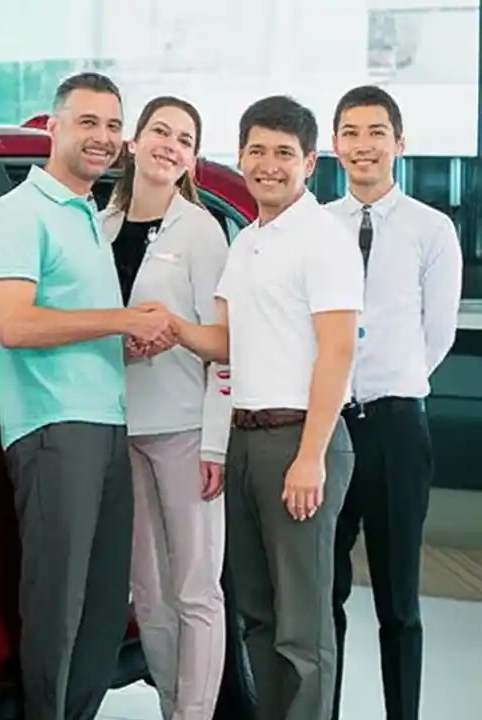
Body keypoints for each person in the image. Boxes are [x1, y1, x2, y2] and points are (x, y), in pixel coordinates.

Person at [0, 71, 175, 719]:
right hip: (53, 427)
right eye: (88, 122)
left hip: (107, 424)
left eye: (113, 126)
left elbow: (71, 322)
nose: (103, 138)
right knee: (58, 606)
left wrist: (125, 342)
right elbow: (16, 323)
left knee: (100, 608)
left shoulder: (90, 217)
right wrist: (120, 320)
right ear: (54, 125)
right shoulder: (17, 214)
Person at [172, 95, 364, 720]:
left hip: (299, 442)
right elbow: (226, 343)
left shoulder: (323, 239)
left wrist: (312, 456)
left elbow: (337, 350)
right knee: (255, 614)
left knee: (302, 631)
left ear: (310, 161)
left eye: (284, 153)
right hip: (246, 441)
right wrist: (168, 328)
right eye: (257, 150)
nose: (268, 164)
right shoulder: (248, 240)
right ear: (241, 156)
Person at [326, 85, 463, 720]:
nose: (363, 145)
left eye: (376, 132)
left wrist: (387, 386)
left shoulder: (431, 229)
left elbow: (435, 337)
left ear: (399, 144)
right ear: (334, 145)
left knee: (398, 602)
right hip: (327, 429)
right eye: (351, 132)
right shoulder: (315, 225)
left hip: (397, 427)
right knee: (320, 596)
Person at [100, 96, 232, 720]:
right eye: (160, 131)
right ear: (134, 140)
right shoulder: (101, 222)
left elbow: (226, 344)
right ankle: (174, 707)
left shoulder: (201, 231)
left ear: (192, 160)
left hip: (183, 428)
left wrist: (216, 442)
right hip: (120, 426)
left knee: (196, 590)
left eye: (184, 139)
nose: (169, 145)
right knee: (149, 594)